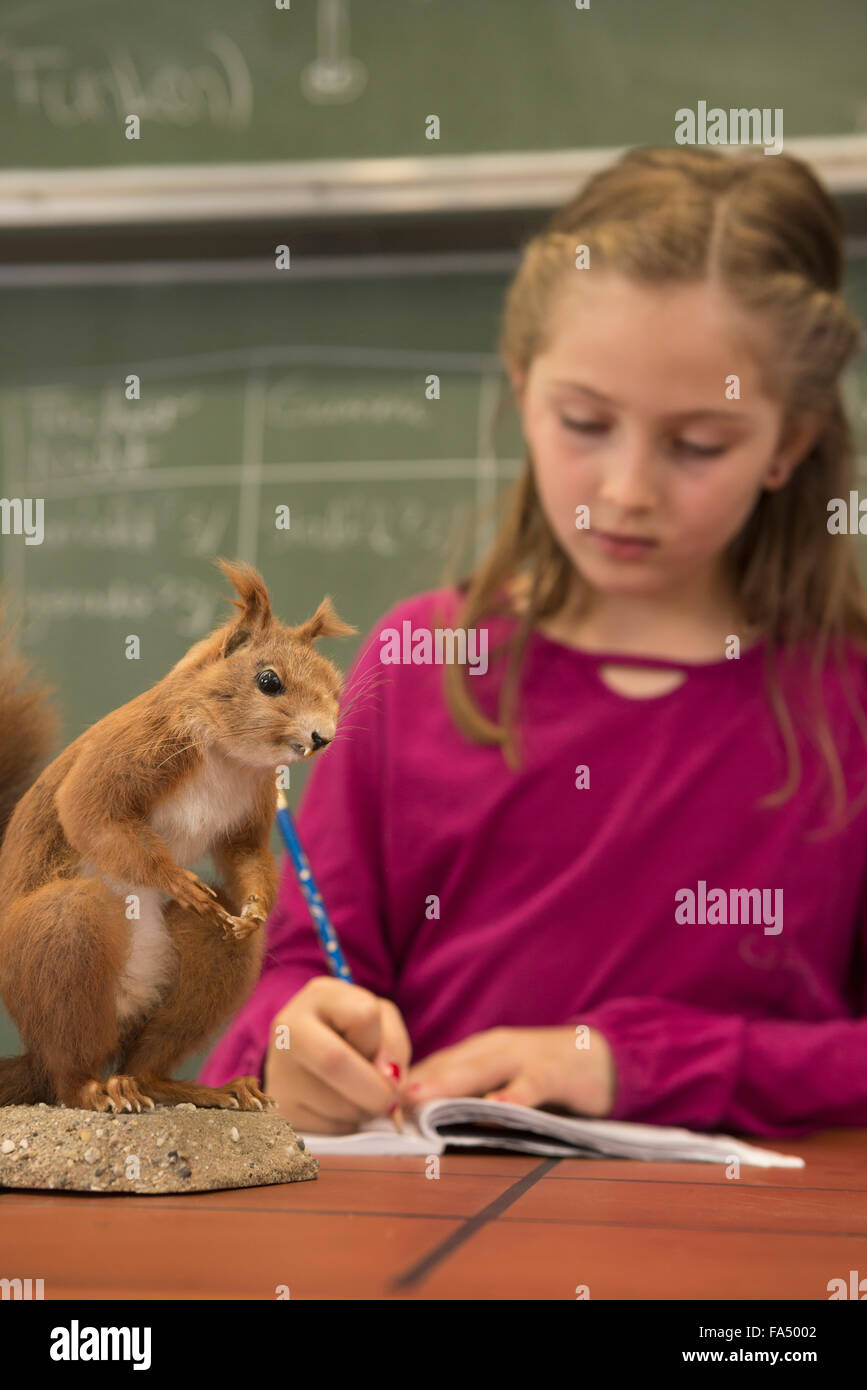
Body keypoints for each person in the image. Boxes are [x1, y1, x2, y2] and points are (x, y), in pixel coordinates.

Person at [199, 145, 867, 1138]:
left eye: (699, 444)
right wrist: (289, 1041)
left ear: (793, 440)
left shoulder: (843, 705)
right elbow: (293, 978)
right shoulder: (417, 666)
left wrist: (637, 1062)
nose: (629, 489)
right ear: (522, 388)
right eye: (585, 421)